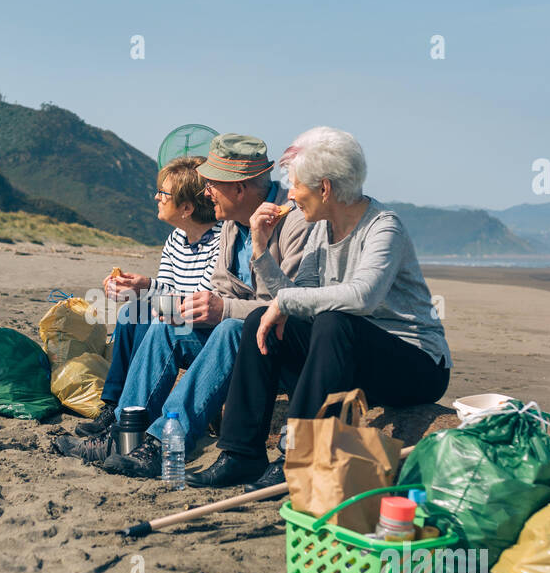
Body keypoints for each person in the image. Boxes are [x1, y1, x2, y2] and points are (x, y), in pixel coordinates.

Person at [186, 126, 451, 490]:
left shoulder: (383, 228)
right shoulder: (319, 231)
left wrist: (285, 301)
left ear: (324, 188)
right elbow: (296, 299)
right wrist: (261, 251)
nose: (291, 196)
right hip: (349, 353)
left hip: (415, 362)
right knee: (260, 320)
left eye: (296, 185)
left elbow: (363, 297)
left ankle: (296, 455)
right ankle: (241, 454)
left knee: (332, 322)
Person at [55, 133, 311, 478]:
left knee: (232, 327)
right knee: (165, 328)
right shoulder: (231, 226)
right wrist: (172, 303)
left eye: (212, 185)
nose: (206, 193)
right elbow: (220, 289)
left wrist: (222, 309)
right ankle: (123, 435)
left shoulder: (294, 223)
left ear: (239, 188)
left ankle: (162, 445)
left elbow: (292, 305)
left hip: (271, 346)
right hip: (233, 335)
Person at [69, 155, 222, 438]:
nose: (156, 197)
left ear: (187, 207)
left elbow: (198, 300)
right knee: (132, 312)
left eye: (163, 193)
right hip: (177, 318)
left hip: (202, 328)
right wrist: (134, 288)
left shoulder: (220, 241)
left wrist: (147, 289)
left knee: (149, 313)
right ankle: (114, 406)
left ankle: (134, 415)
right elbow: (164, 286)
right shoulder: (177, 237)